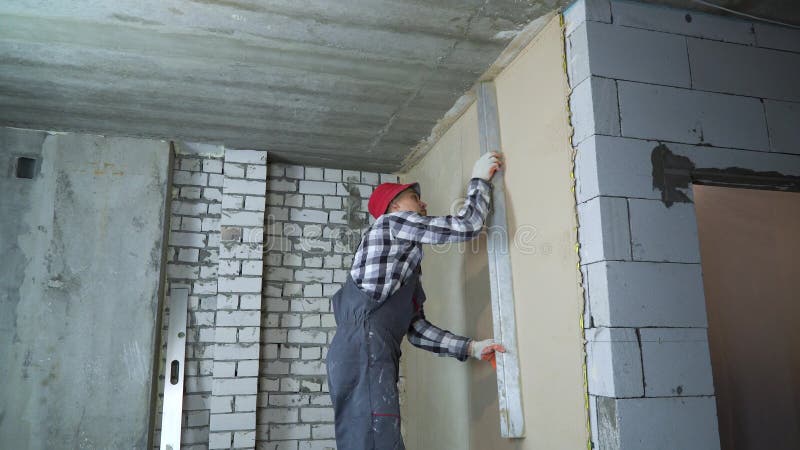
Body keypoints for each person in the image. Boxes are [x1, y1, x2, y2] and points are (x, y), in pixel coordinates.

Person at [326, 152, 506, 450]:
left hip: (366, 350)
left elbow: (417, 330)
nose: (423, 204)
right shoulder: (391, 224)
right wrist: (478, 181)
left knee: (373, 437)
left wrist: (471, 348)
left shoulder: (402, 269)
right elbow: (467, 226)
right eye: (414, 197)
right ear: (394, 207)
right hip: (363, 347)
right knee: (375, 440)